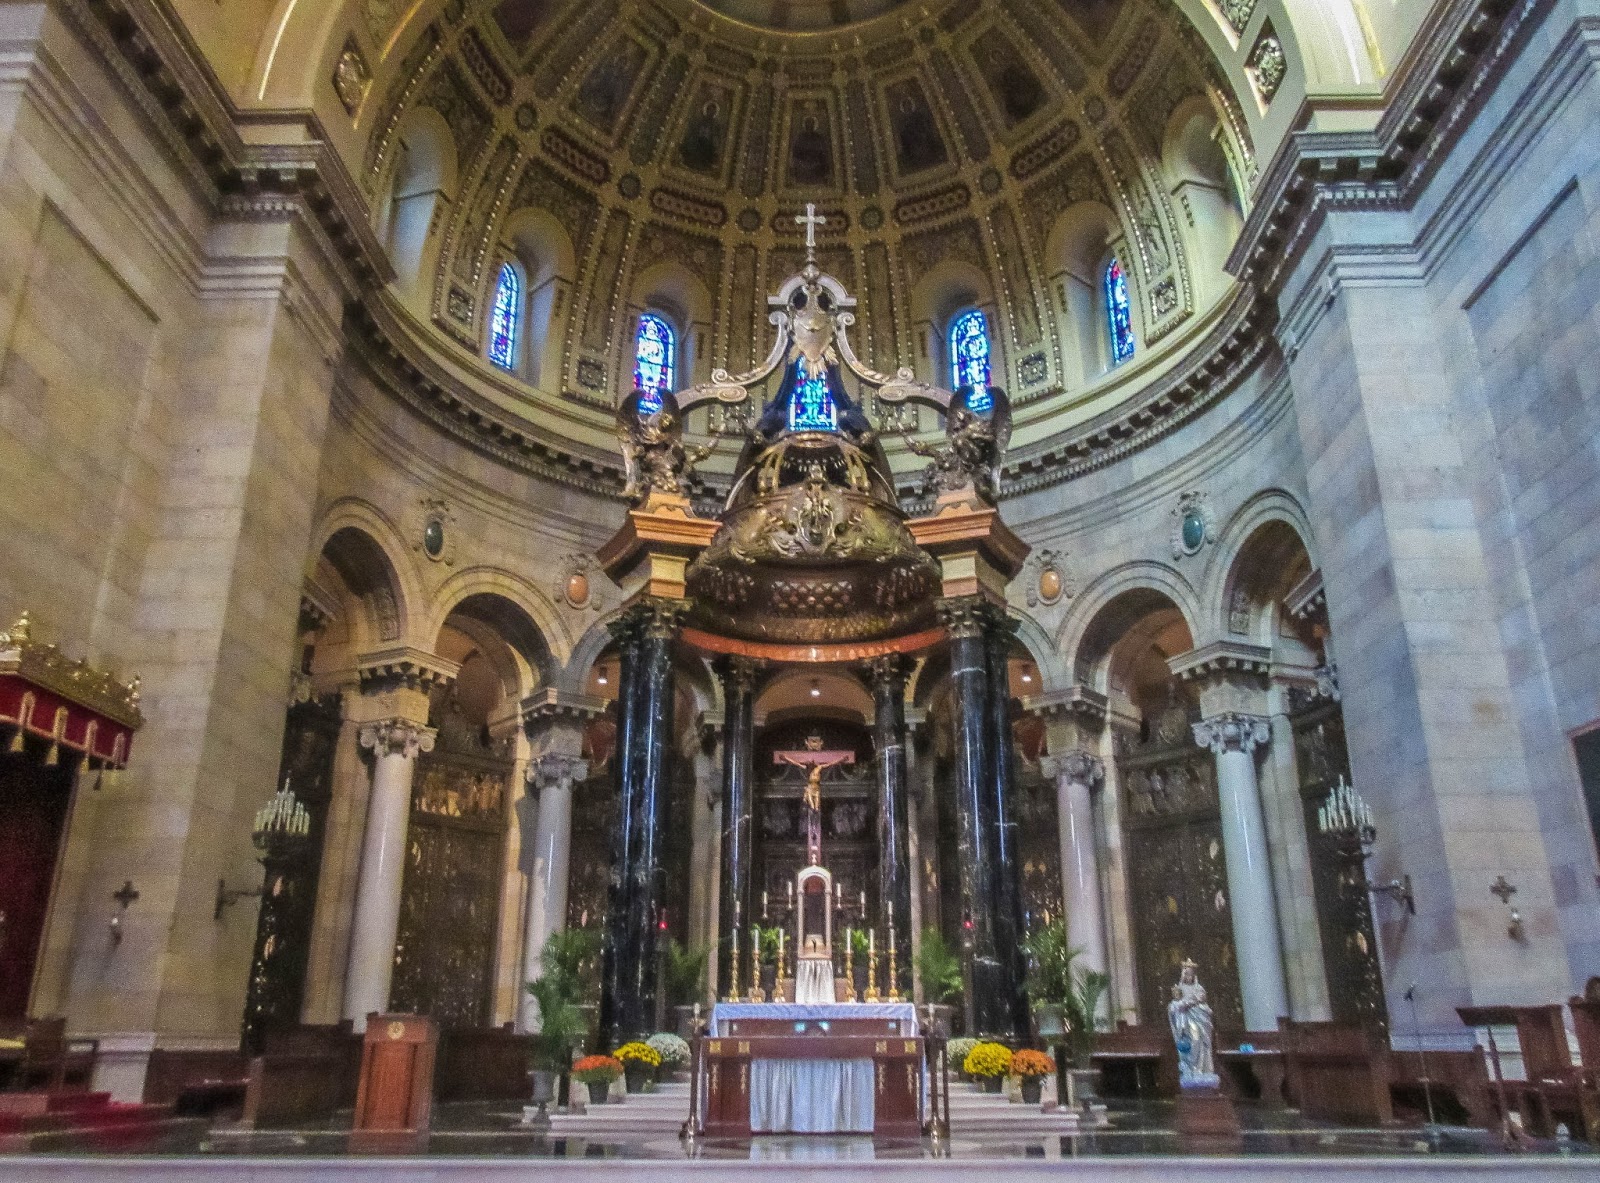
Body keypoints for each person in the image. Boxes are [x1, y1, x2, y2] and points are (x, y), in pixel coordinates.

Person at [1168, 958, 1217, 1084]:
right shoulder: (1179, 989)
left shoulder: (1198, 988)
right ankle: (1191, 1068)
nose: (1188, 977)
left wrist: (1189, 1002)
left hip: (1199, 1021)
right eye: (1186, 974)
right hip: (1185, 1022)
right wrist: (1181, 1004)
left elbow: (1201, 999)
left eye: (1191, 974)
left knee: (1198, 1041)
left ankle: (1201, 1069)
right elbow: (1174, 1006)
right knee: (1190, 1044)